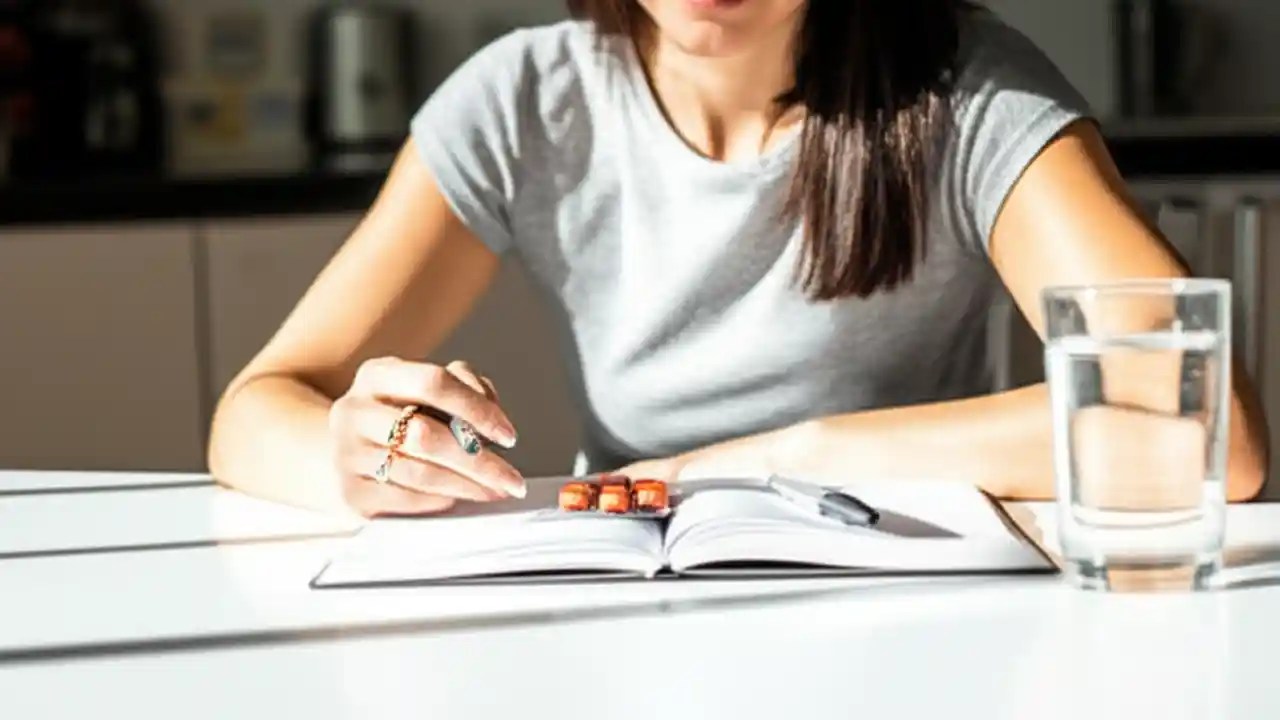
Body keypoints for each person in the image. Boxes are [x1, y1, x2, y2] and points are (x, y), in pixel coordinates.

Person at [207, 0, 1268, 518]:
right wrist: (357, 454)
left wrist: (779, 455)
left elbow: (1205, 432)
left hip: (907, 598)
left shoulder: (968, 93)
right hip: (620, 611)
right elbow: (254, 410)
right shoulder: (520, 101)